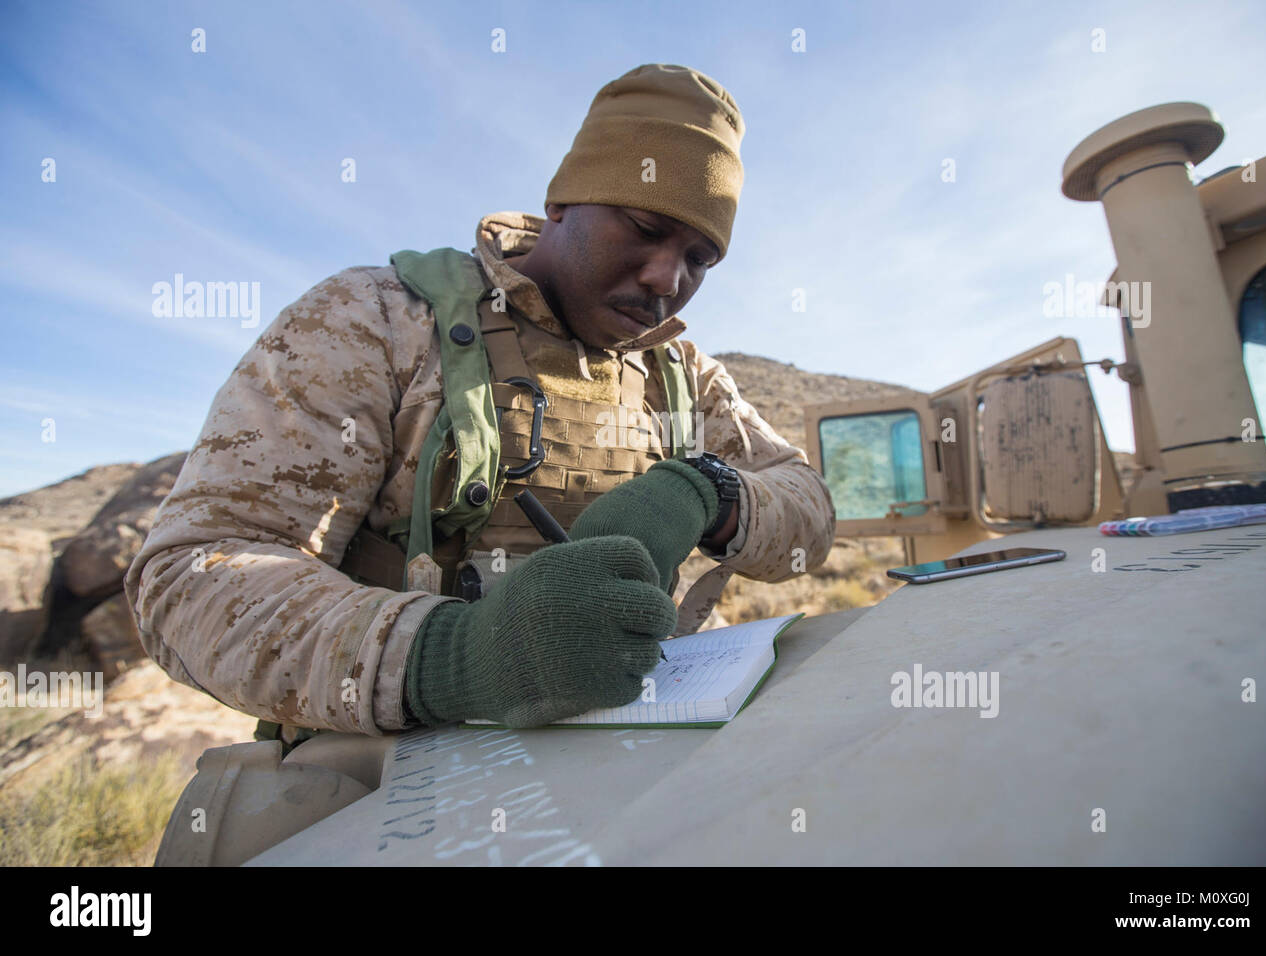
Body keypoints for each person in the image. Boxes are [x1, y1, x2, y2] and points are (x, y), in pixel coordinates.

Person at [124, 63, 835, 737]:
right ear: (560, 203)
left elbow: (809, 511)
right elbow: (189, 580)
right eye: (645, 230)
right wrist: (457, 657)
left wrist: (708, 492)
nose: (664, 278)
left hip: (637, 747)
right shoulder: (375, 319)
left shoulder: (680, 373)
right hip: (389, 768)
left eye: (698, 259)